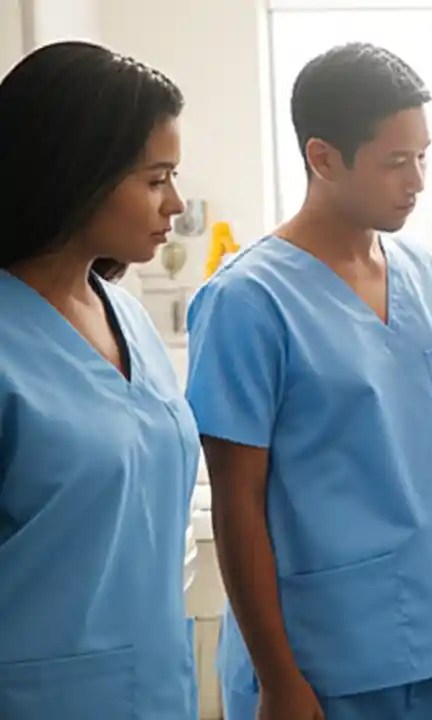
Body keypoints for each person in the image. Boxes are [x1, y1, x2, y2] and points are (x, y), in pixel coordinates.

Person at [185, 42, 432, 720]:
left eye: (422, 157)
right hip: (314, 656)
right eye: (395, 162)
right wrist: (277, 678)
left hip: (430, 636)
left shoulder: (431, 275)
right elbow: (239, 504)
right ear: (322, 158)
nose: (416, 181)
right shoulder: (247, 301)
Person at [0, 42, 197, 718]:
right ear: (75, 176)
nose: (175, 202)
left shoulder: (129, 317)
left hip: (157, 687)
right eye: (154, 179)